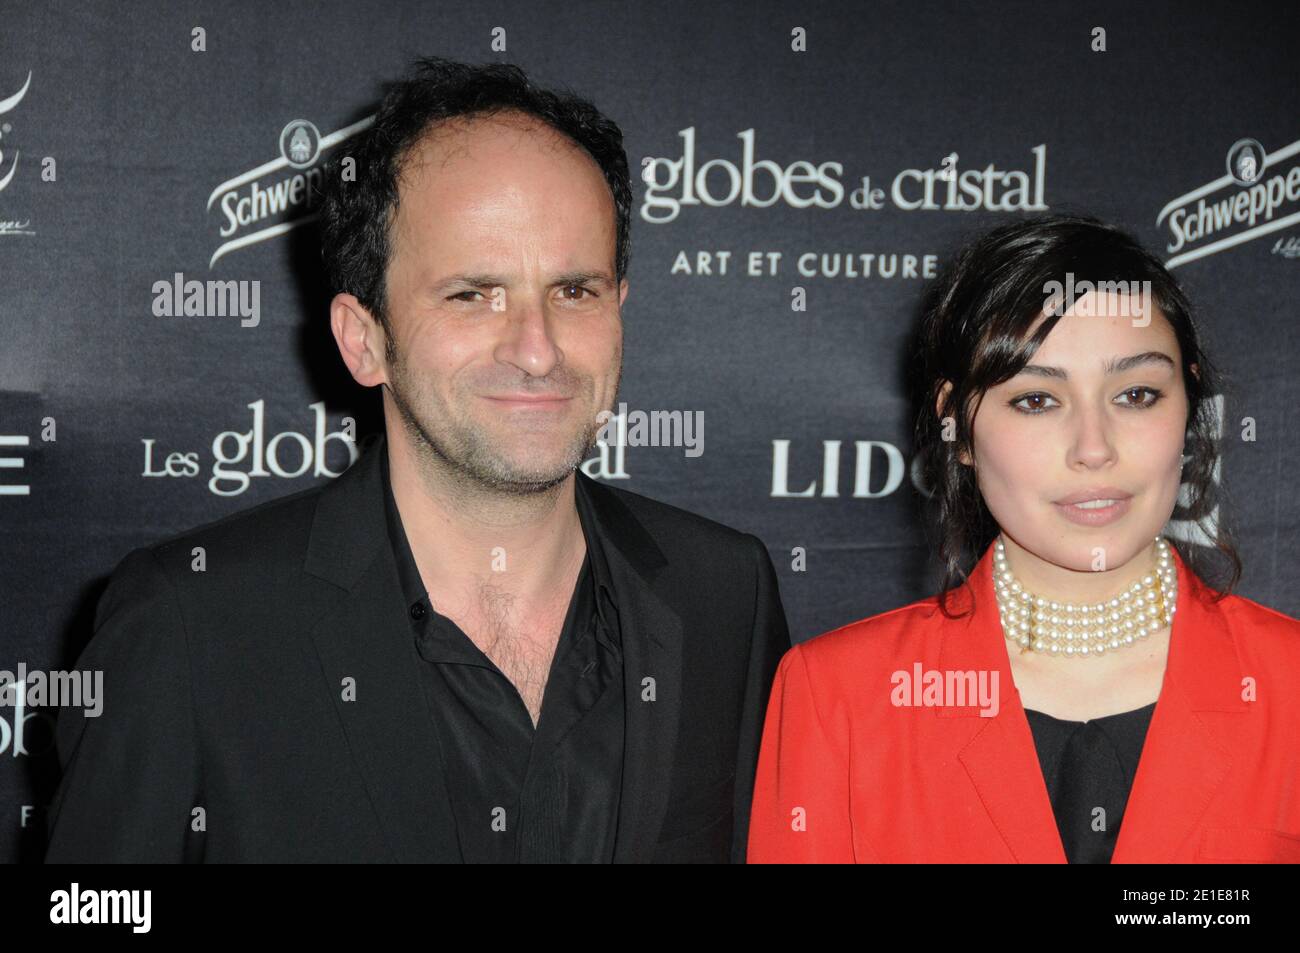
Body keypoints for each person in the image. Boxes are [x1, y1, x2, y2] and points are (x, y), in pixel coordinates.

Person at [45, 57, 790, 863]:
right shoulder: (192, 624)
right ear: (362, 339)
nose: (538, 351)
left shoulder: (724, 596)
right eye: (473, 294)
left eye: (575, 291)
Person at [748, 214, 1300, 863]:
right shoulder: (836, 697)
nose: (1094, 448)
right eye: (1037, 400)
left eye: (1138, 393)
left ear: (1190, 404)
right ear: (958, 428)